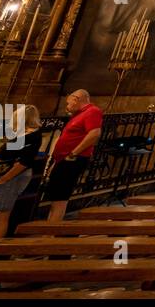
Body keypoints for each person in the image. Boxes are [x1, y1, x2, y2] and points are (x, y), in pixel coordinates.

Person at [0, 106, 44, 239]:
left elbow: (25, 162)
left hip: (11, 178)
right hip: (0, 176)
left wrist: (4, 179)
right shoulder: (22, 134)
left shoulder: (33, 136)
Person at [44, 90, 103, 221]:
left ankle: (50, 233)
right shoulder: (78, 114)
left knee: (60, 198)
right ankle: (49, 230)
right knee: (56, 198)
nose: (67, 106)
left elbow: (94, 134)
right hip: (63, 160)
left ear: (77, 99)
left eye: (68, 103)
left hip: (72, 160)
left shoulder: (92, 111)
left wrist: (73, 153)